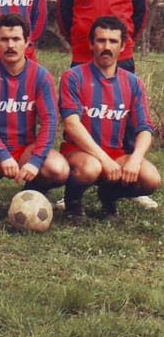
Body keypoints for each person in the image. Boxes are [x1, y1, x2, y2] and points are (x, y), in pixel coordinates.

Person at [57, 0, 156, 210]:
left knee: (122, 125)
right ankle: (76, 186)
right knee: (83, 125)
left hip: (120, 59)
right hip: (84, 57)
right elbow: (64, 16)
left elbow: (140, 15)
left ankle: (126, 181)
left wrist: (121, 45)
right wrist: (80, 43)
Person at [59, 15, 160, 221]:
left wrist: (135, 159)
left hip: (115, 152)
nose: (107, 46)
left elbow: (144, 129)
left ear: (122, 46)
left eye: (113, 41)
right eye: (101, 40)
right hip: (79, 152)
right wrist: (103, 159)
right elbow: (71, 124)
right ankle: (73, 200)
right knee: (91, 167)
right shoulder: (74, 77)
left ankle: (108, 195)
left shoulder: (133, 83)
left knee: (151, 179)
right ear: (91, 43)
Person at [0, 13, 69, 218]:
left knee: (59, 169)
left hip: (25, 147)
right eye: (4, 39)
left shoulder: (41, 76)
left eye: (16, 39)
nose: (10, 45)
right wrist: (3, 155)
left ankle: (30, 192)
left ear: (27, 42)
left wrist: (36, 160)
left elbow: (50, 122)